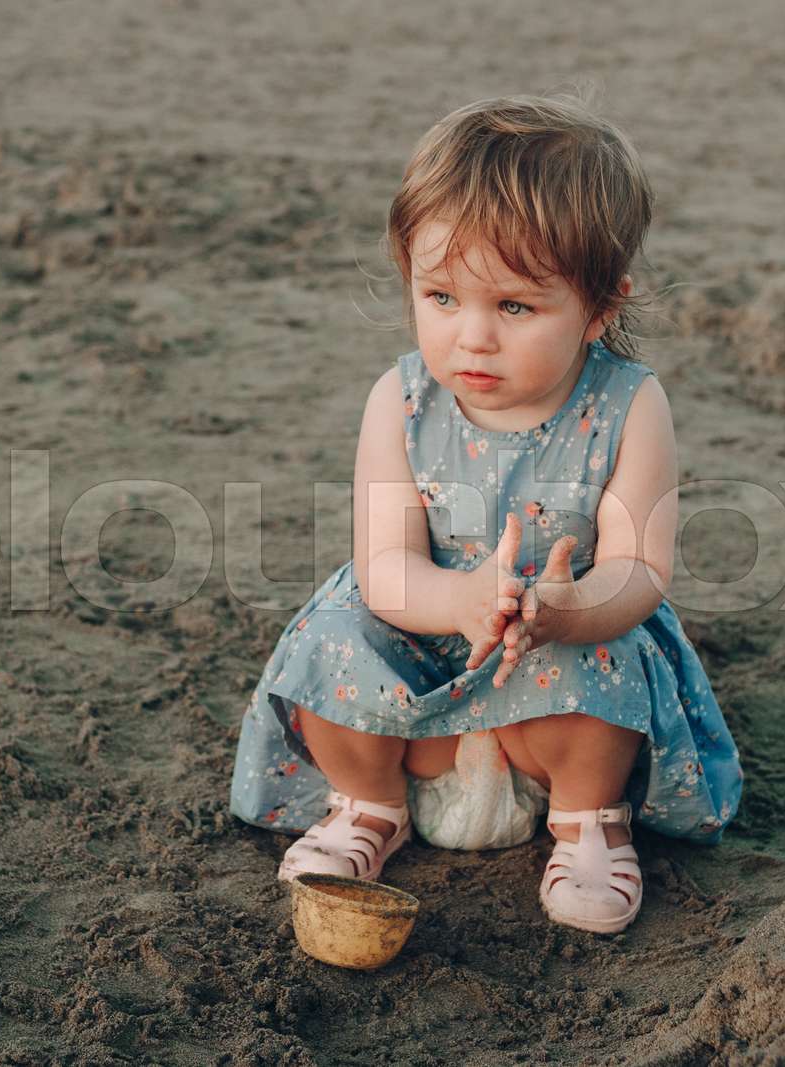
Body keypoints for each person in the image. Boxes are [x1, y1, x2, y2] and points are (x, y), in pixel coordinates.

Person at [228, 92, 743, 935]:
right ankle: (370, 799)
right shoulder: (399, 399)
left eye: (514, 307)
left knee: (610, 656)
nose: (472, 337)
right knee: (329, 638)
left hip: (551, 677)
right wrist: (459, 601)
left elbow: (641, 567)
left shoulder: (628, 405)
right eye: (440, 297)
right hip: (421, 669)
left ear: (601, 307)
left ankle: (585, 817)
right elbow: (385, 565)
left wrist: (569, 608)